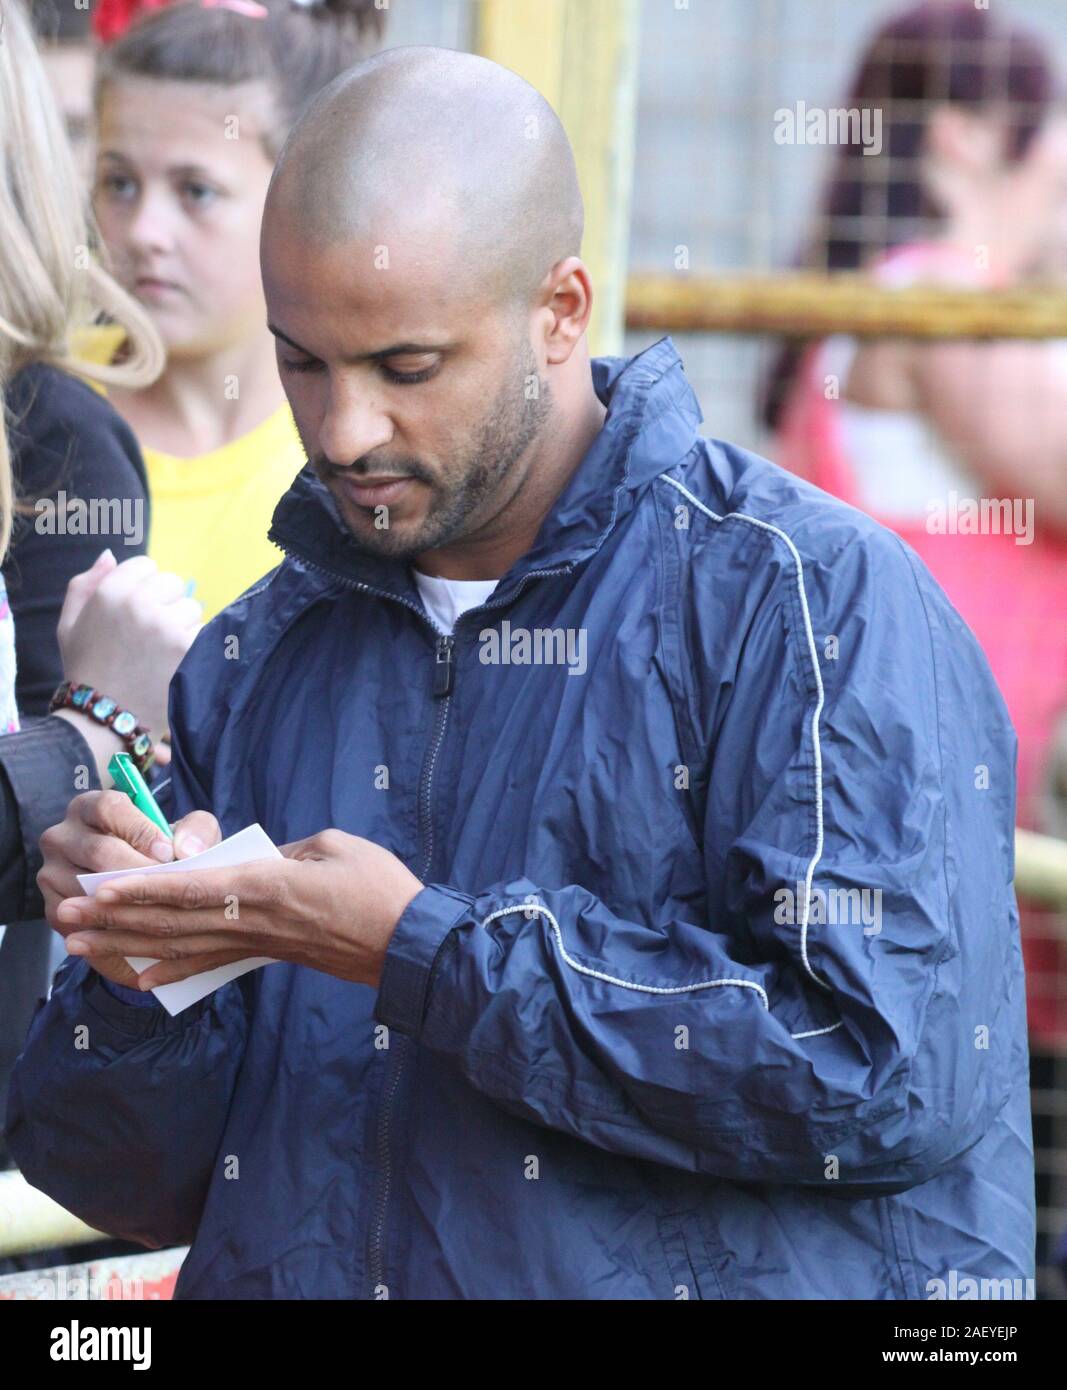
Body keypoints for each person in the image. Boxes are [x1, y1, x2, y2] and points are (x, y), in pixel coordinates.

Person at [7, 47, 1034, 1300]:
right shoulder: (255, 652)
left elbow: (880, 1066)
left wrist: (420, 951)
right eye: (302, 361)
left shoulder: (810, 602)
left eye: (405, 367)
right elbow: (124, 1186)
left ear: (560, 310)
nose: (343, 430)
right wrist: (137, 979)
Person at [82, 0, 385, 621]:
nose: (143, 232)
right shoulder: (31, 400)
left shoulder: (356, 446)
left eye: (196, 191)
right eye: (120, 183)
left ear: (306, 199)